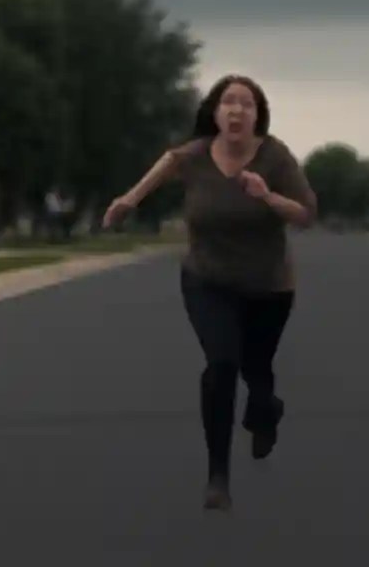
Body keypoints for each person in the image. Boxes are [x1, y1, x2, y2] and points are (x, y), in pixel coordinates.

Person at [101, 74, 316, 512]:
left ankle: (264, 411)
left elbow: (306, 214)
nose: (237, 110)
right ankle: (218, 475)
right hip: (208, 279)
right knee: (221, 363)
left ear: (258, 114)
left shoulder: (275, 156)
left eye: (247, 104)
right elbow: (167, 162)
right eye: (228, 102)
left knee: (257, 372)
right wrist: (130, 199)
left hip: (268, 284)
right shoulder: (196, 155)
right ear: (215, 113)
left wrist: (267, 195)